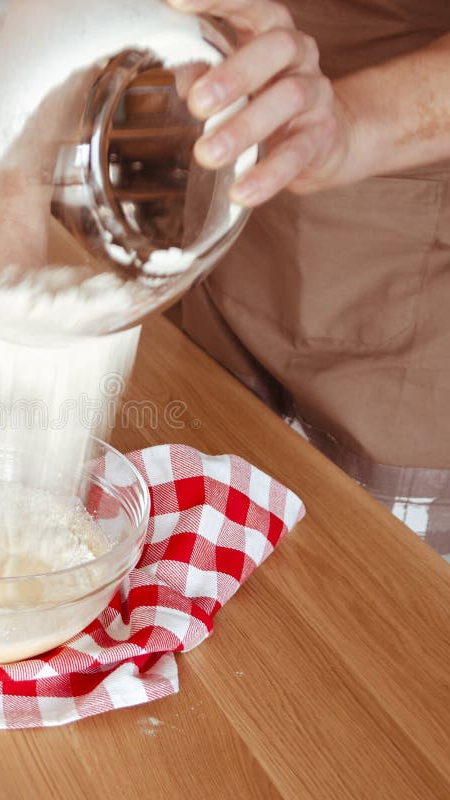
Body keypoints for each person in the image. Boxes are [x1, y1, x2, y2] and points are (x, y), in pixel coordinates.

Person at [166, 0, 450, 559]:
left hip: (403, 283)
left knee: (363, 606)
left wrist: (359, 119)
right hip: (230, 221)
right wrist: (8, 203)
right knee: (207, 572)